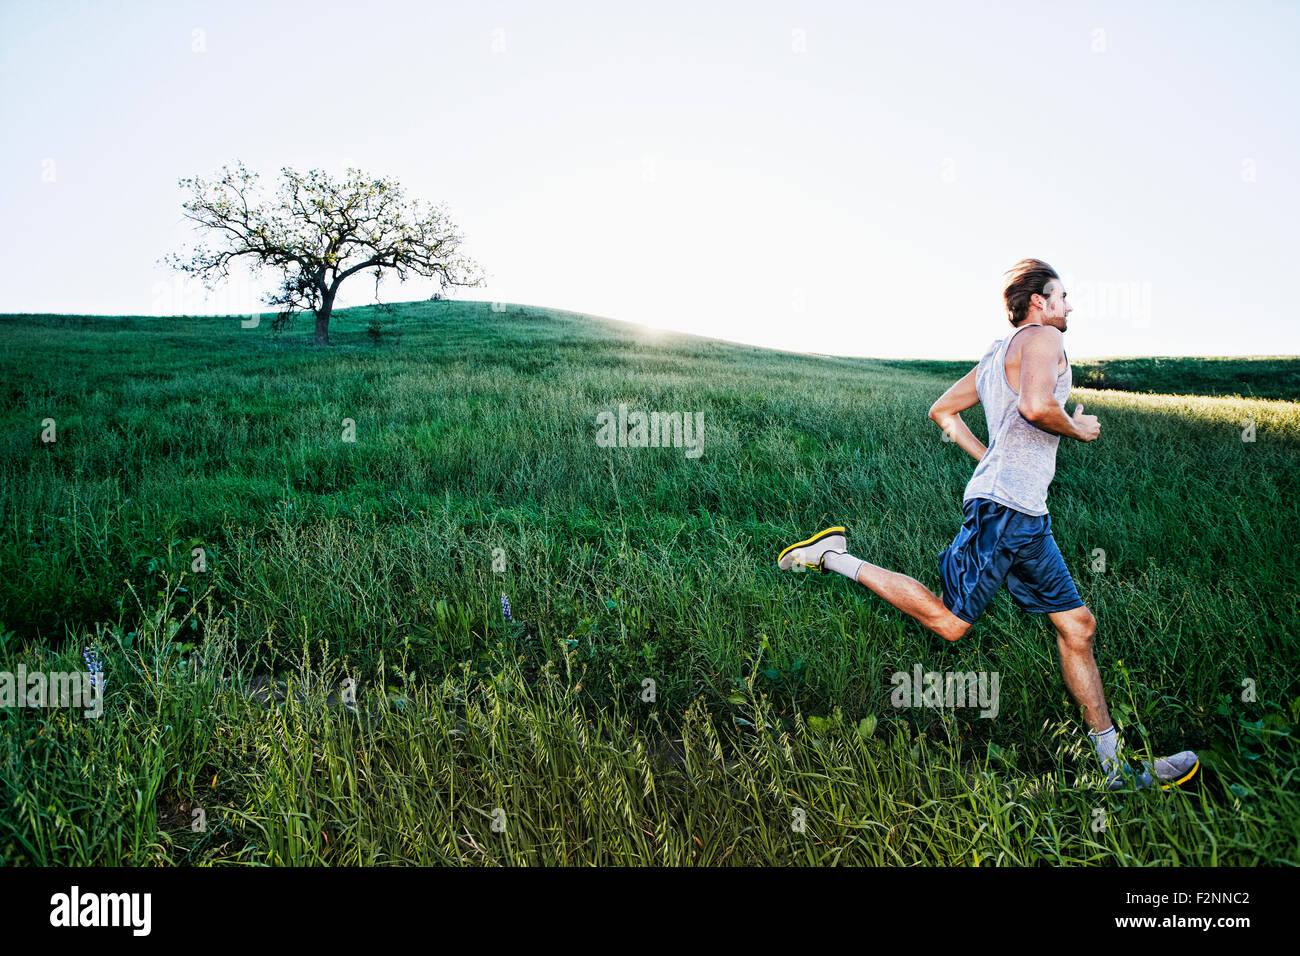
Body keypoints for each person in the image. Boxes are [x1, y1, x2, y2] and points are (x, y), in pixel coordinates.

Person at [777, 258, 1198, 790]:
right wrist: (1079, 427)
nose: (1070, 305)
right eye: (1063, 295)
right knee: (951, 624)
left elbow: (943, 412)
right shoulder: (1043, 338)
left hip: (1023, 511)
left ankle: (1112, 770)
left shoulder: (997, 354)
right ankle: (833, 556)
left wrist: (988, 459)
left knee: (1078, 626)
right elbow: (1038, 406)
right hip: (1006, 511)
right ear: (1039, 304)